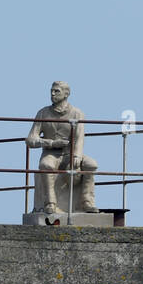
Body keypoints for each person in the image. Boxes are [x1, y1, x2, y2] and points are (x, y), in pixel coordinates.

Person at [27, 80, 99, 214]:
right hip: (51, 154)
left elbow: (79, 137)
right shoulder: (43, 113)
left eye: (56, 91)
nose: (52, 94)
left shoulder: (77, 113)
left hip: (70, 153)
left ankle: (86, 201)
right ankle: (50, 202)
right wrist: (51, 143)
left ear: (66, 94)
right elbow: (31, 139)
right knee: (45, 165)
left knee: (91, 164)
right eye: (51, 91)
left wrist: (77, 155)